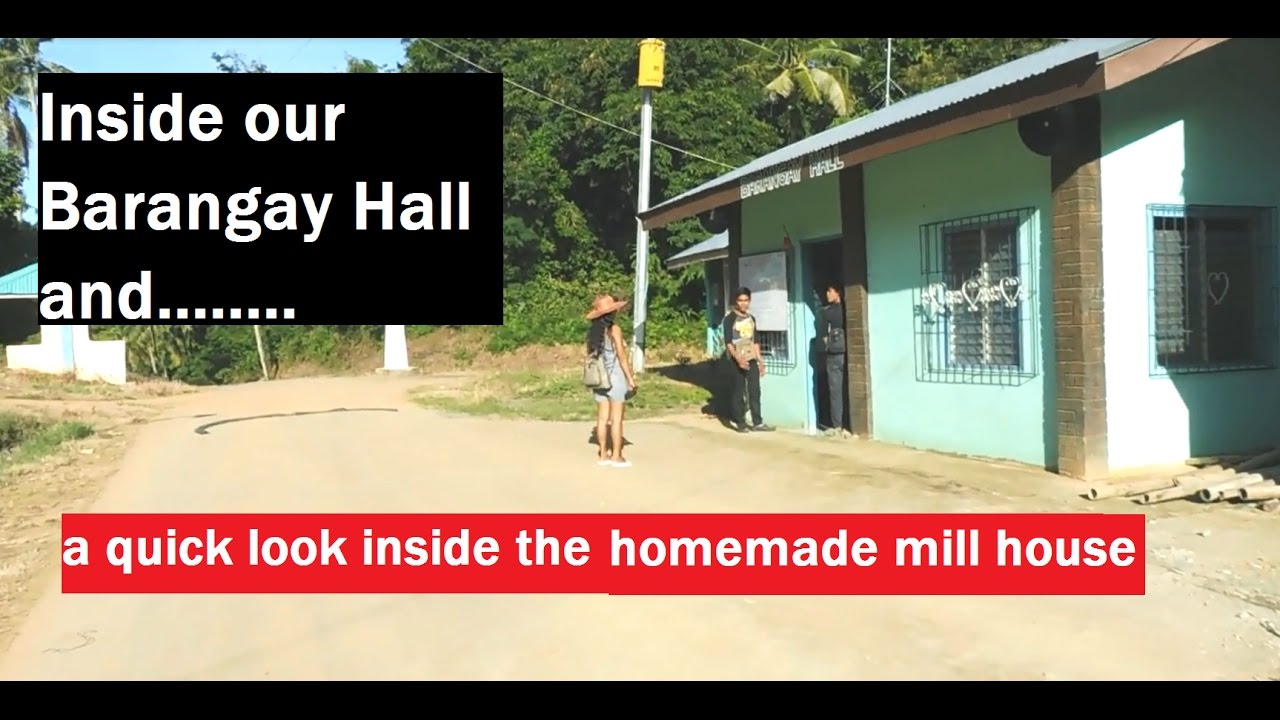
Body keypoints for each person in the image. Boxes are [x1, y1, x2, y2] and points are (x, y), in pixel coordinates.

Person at [585, 294, 637, 467]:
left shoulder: (593, 333)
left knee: (601, 419)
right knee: (616, 419)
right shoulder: (614, 330)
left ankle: (603, 455)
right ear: (611, 313)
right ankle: (617, 456)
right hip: (615, 378)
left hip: (599, 379)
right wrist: (630, 379)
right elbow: (621, 357)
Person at [722, 287, 774, 434]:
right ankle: (740, 422)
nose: (743, 303)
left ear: (750, 301)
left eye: (746, 300)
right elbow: (728, 342)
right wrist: (738, 359)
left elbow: (755, 341)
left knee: (755, 391)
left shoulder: (751, 319)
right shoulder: (729, 319)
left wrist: (760, 360)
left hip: (751, 358)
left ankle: (758, 422)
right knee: (739, 391)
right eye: (740, 300)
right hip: (736, 360)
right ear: (736, 302)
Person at [821, 283, 850, 438]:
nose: (827, 294)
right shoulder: (847, 310)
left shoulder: (827, 312)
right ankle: (848, 424)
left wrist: (829, 346)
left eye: (830, 290)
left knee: (835, 391)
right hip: (846, 354)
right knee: (846, 388)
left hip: (833, 355)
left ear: (837, 292)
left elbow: (824, 336)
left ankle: (837, 425)